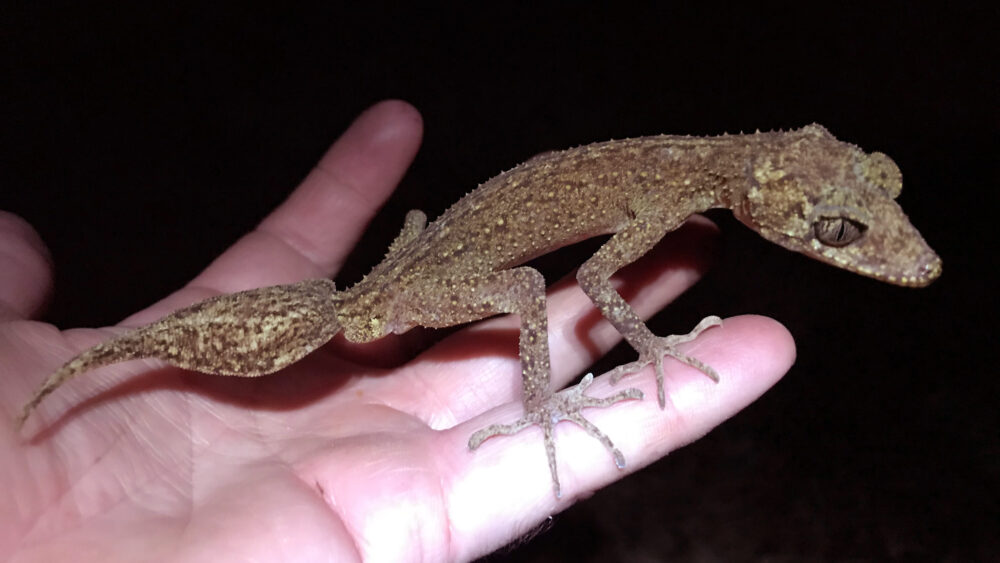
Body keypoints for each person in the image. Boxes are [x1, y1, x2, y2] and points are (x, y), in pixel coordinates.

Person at [2, 100, 793, 561]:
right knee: (525, 286)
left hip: (420, 263)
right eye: (832, 230)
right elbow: (585, 281)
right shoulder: (674, 182)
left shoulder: (679, 166)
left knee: (450, 256)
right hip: (411, 284)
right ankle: (538, 408)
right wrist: (650, 346)